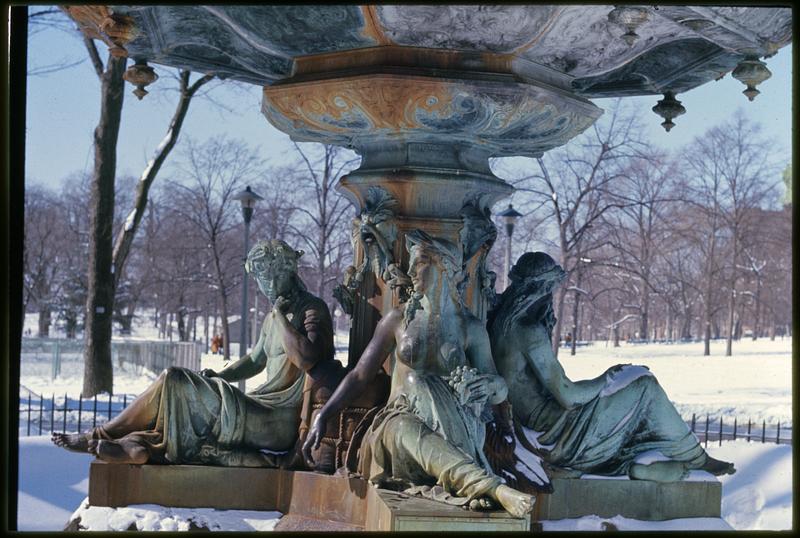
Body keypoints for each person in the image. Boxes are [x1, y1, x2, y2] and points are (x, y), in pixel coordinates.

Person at [303, 230, 534, 518]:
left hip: (456, 424)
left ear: (444, 267)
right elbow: (359, 375)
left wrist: (487, 386)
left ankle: (474, 484)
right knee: (413, 390)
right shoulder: (398, 320)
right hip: (400, 422)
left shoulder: (469, 327)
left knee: (422, 385)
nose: (410, 270)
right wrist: (324, 414)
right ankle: (492, 488)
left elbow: (500, 388)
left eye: (420, 262)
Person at [52, 239, 339, 467]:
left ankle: (103, 436)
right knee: (175, 388)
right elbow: (254, 360)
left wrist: (279, 315)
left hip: (279, 420)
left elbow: (307, 358)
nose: (263, 287)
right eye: (260, 280)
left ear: (284, 272)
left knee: (174, 379)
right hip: (259, 405)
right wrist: (221, 375)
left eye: (266, 278)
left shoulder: (311, 310)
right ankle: (137, 446)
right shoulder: (272, 319)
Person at [487, 252, 736, 482]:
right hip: (554, 431)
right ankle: (695, 459)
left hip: (533, 424)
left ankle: (644, 463)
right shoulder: (528, 331)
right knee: (644, 385)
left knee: (631, 390)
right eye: (551, 289)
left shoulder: (500, 322)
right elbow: (569, 396)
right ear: (541, 288)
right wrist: (605, 378)